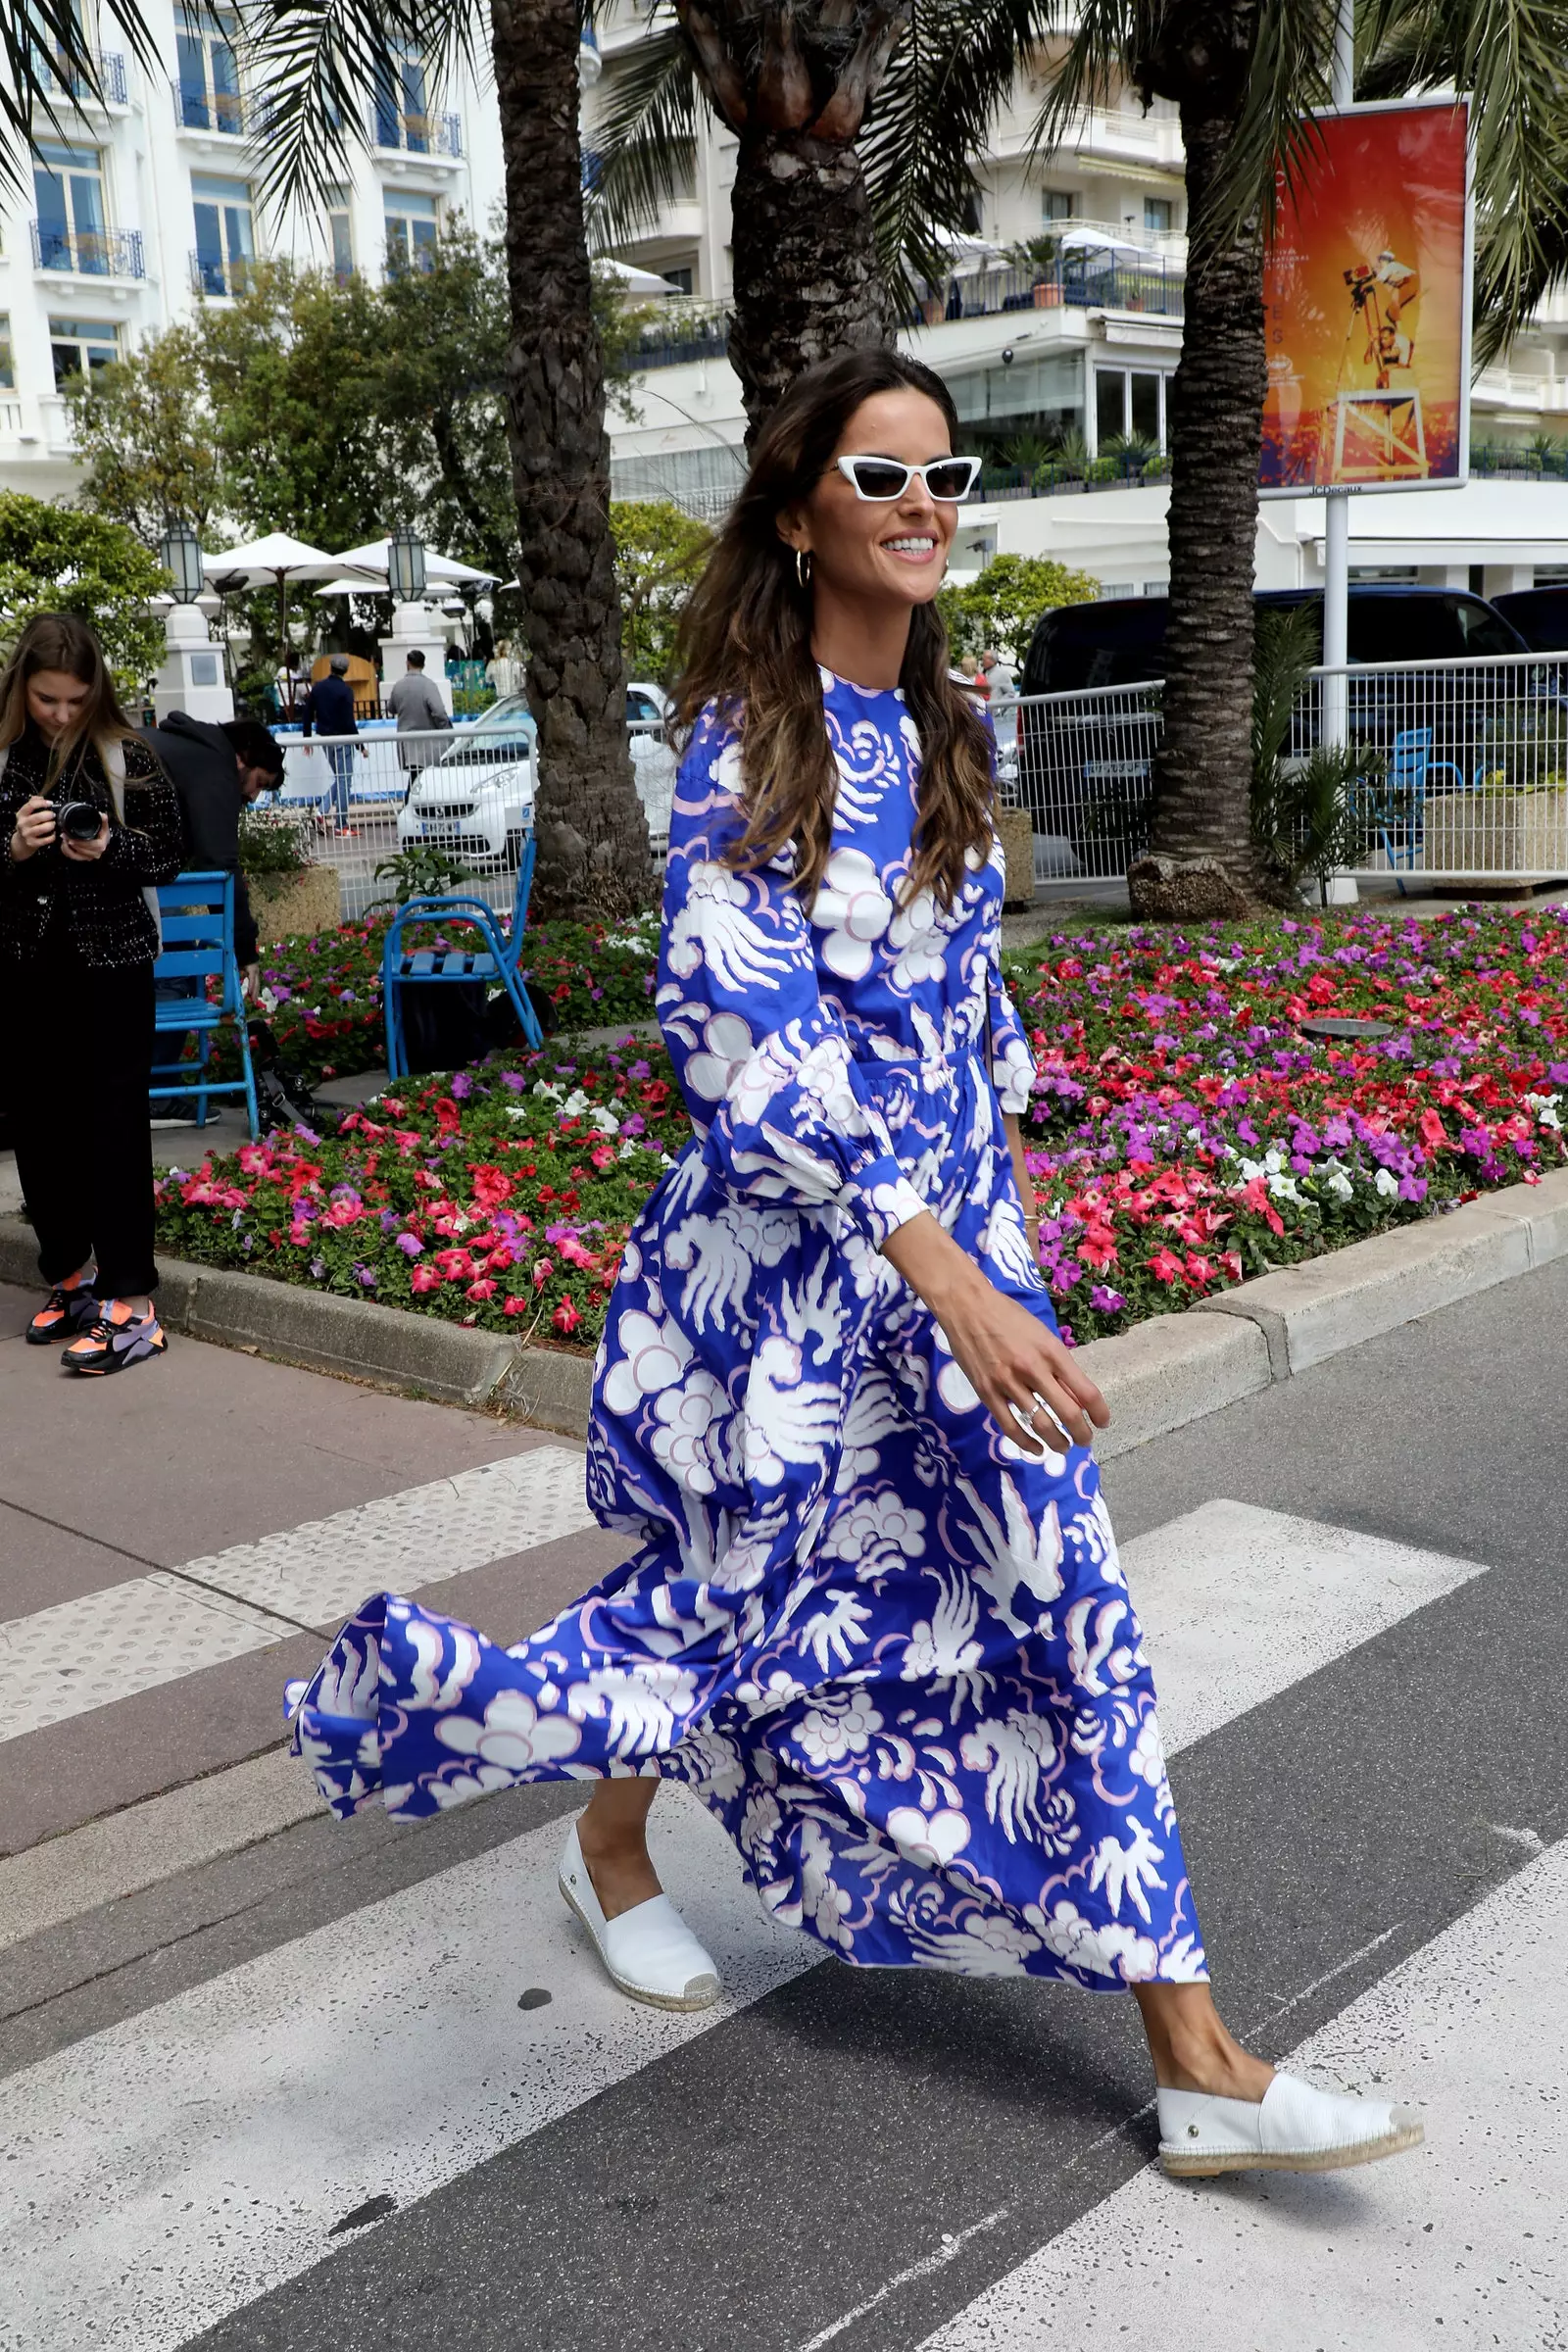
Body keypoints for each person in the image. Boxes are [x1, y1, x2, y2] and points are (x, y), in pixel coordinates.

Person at [288, 351, 1421, 2181]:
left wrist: (1002, 1224)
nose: (921, 507)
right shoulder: (749, 739)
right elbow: (734, 1026)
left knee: (1068, 1613)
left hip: (953, 1263)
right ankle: (598, 1841)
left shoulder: (952, 728)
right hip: (804, 1282)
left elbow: (964, 998)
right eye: (879, 477)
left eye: (943, 477)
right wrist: (934, 1263)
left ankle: (1199, 2060)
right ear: (802, 504)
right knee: (735, 1603)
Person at [0, 612, 183, 1373]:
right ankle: (70, 1277)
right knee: (39, 1132)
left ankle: (134, 1303)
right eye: (48, 699)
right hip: (23, 967)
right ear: (22, 687)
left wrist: (110, 846)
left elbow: (172, 853)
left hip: (112, 970)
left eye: (76, 699)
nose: (63, 714)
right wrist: (11, 846)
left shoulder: (125, 752)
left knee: (112, 1130)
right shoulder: (4, 758)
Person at [140, 710, 285, 991]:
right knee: (179, 977)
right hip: (123, 884)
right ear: (242, 758)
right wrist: (245, 949)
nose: (253, 797)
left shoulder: (180, 747)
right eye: (259, 782)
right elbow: (221, 864)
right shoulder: (215, 770)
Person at [298, 653, 365, 833]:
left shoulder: (318, 688)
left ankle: (321, 811)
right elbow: (349, 722)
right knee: (344, 781)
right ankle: (340, 825)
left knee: (341, 778)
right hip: (343, 740)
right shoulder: (346, 691)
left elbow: (307, 713)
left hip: (326, 739)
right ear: (346, 670)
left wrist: (307, 739)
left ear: (330, 668)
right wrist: (361, 746)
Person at [385, 650, 453, 796]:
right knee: (424, 778)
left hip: (406, 742)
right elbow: (439, 711)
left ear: (408, 664)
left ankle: (410, 805)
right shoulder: (428, 685)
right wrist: (446, 729)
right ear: (423, 664)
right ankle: (410, 806)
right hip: (429, 743)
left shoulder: (398, 686)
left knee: (417, 776)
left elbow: (391, 708)